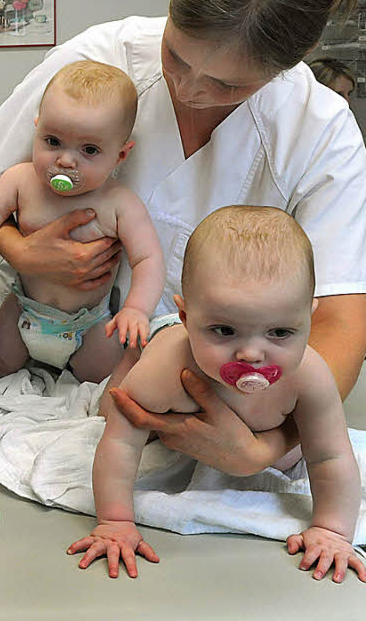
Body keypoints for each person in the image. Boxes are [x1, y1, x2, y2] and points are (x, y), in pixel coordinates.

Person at [0, 0, 366, 477]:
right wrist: (19, 250)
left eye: (227, 85)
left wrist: (268, 447)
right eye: (176, 55)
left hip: (230, 393)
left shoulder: (317, 128)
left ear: (298, 56)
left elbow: (342, 315)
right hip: (54, 358)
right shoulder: (100, 59)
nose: (189, 88)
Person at [69, 206, 365, 583]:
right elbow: (121, 443)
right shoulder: (165, 371)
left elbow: (330, 455)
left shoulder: (309, 375)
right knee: (112, 410)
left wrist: (331, 530)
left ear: (309, 317)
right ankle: (134, 353)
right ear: (186, 318)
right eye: (224, 331)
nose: (251, 354)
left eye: (280, 333)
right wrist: (115, 521)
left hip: (250, 416)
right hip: (162, 349)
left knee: (293, 454)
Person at [0, 61, 164, 382]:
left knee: (107, 382)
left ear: (120, 155)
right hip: (24, 309)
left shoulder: (119, 203)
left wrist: (136, 309)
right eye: (53, 141)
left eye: (89, 150)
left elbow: (148, 258)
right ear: (37, 128)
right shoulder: (21, 180)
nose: (66, 160)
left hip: (90, 322)